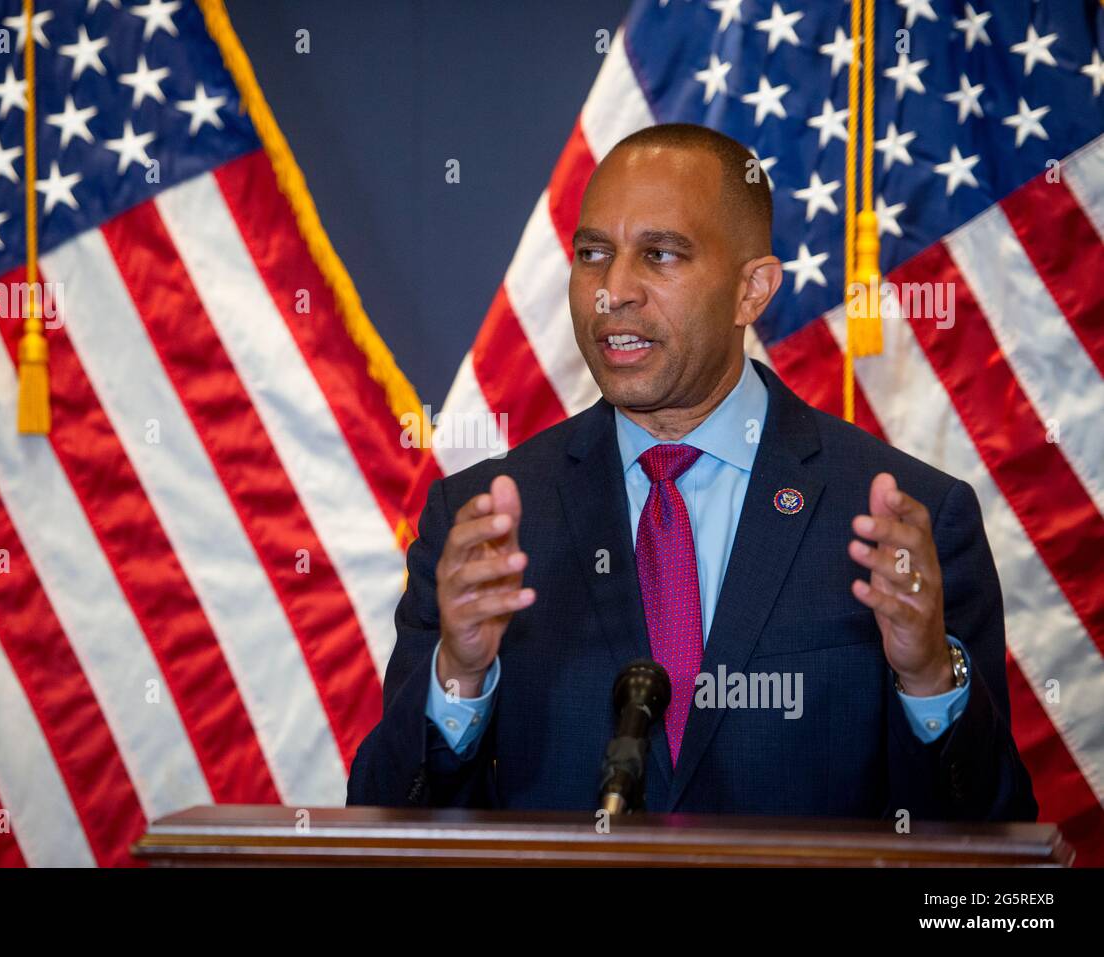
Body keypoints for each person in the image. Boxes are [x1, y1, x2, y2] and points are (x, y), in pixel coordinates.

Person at [346, 123, 1037, 820]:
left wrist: (926, 678)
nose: (613, 291)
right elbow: (385, 815)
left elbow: (990, 828)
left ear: (752, 291)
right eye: (593, 253)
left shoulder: (904, 519)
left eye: (660, 254)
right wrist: (460, 679)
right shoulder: (484, 525)